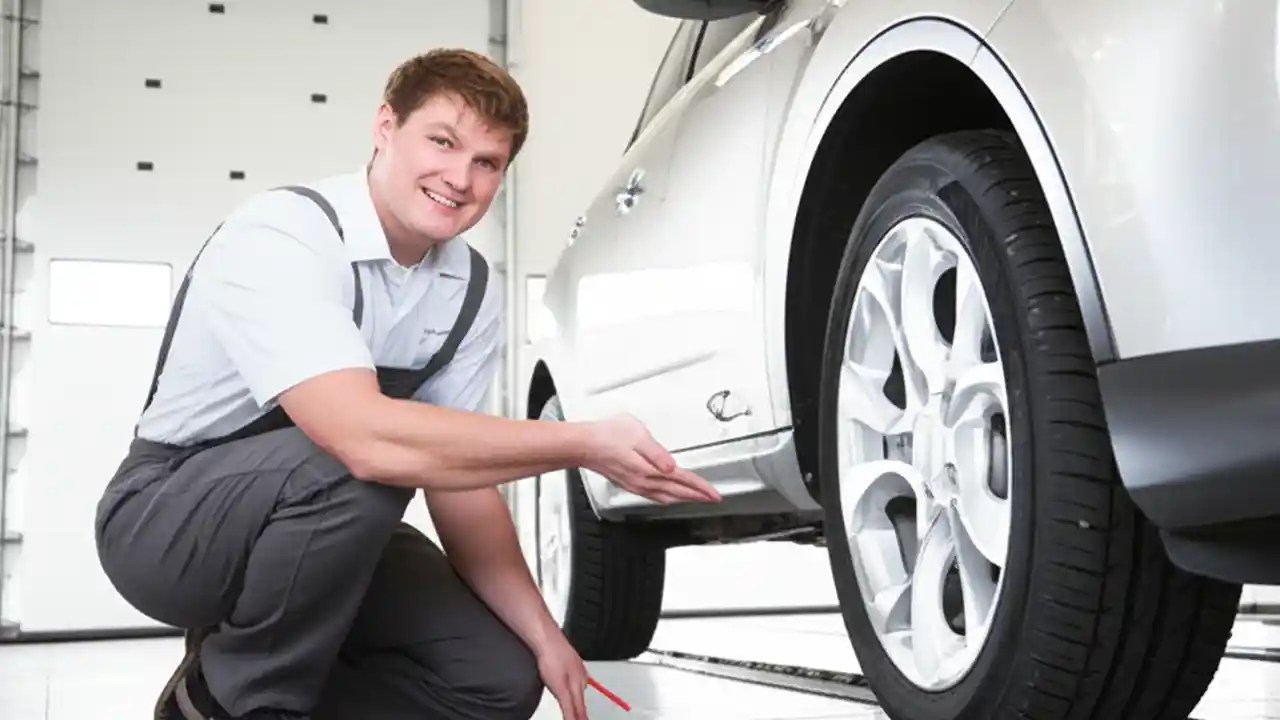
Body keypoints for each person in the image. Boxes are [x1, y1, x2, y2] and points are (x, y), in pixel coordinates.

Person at [92, 48, 721, 720]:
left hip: (322, 521)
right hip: (167, 524)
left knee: (496, 680)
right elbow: (361, 440)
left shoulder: (471, 292)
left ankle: (240, 691)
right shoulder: (288, 233)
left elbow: (464, 486)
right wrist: (583, 442)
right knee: (358, 460)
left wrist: (547, 638)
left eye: (487, 163)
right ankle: (229, 704)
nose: (460, 178)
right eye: (442, 143)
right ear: (386, 126)